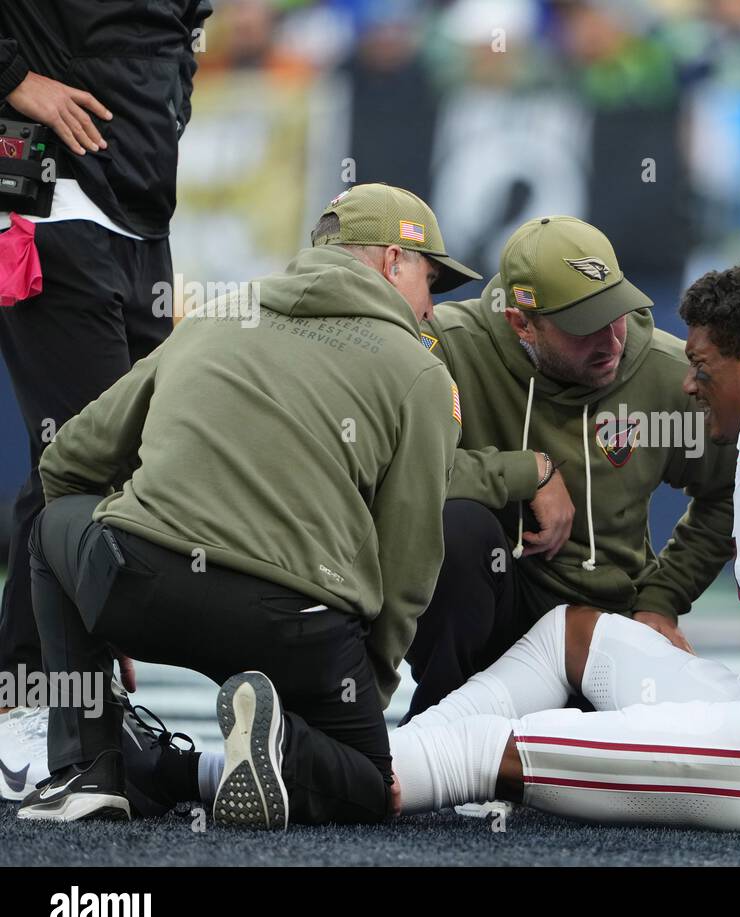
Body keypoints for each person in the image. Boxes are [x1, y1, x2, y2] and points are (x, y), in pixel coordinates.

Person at [384, 257, 740, 838]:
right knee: (569, 633)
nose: (688, 384)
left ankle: (334, 776)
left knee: (480, 752)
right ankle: (385, 753)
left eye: (703, 367)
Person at [16, 183, 477, 827]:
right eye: (432, 281)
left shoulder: (219, 313)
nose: (432, 310)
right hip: (297, 622)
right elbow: (410, 560)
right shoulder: (424, 374)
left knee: (51, 530)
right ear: (391, 261)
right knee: (370, 785)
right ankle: (279, 741)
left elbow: (68, 458)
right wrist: (356, 695)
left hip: (145, 584)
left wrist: (95, 600)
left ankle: (89, 769)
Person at [0, 0, 212, 799]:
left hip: (139, 210)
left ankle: (69, 687)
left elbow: (182, 31)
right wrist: (15, 79)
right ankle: (26, 703)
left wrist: (166, 114)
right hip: (48, 201)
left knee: (119, 466)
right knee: (75, 464)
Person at [402, 215, 735, 717]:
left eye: (616, 313)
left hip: (604, 627)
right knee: (458, 527)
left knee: (684, 759)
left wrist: (663, 599)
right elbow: (391, 469)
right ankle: (439, 718)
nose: (611, 341)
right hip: (492, 619)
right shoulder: (446, 350)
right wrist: (525, 472)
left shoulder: (667, 376)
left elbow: (734, 488)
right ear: (522, 323)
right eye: (583, 327)